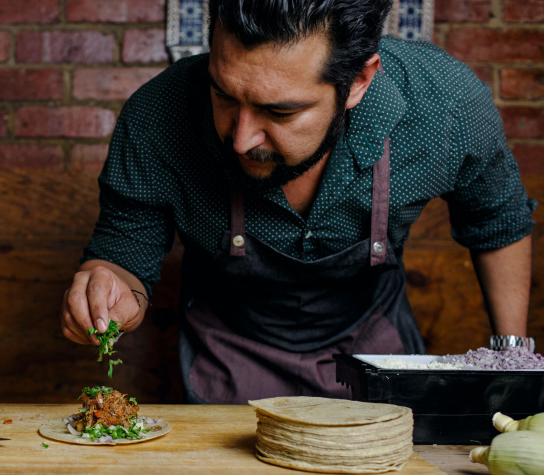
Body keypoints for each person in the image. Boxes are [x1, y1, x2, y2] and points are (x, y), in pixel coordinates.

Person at [60, 0, 536, 404]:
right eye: (224, 95)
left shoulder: (444, 103)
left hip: (375, 349)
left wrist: (512, 361)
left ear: (358, 82)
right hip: (224, 361)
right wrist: (107, 287)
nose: (242, 139)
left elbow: (498, 222)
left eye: (279, 110)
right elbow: (123, 257)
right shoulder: (156, 116)